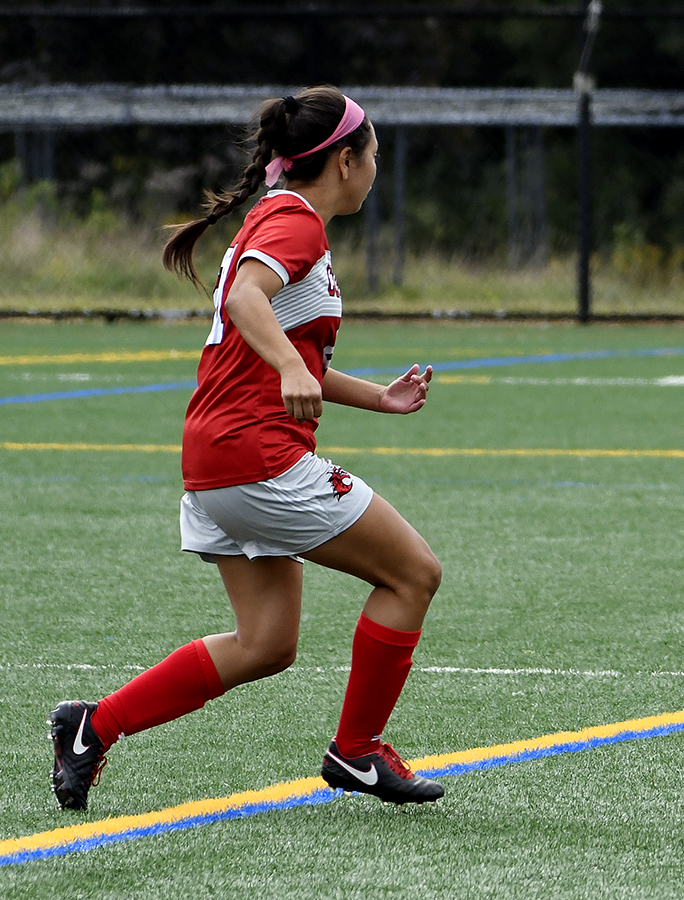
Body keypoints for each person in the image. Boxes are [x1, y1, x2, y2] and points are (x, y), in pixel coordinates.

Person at [48, 86, 446, 807]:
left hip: (215, 459)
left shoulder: (276, 217)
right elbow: (245, 302)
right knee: (413, 575)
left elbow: (279, 347)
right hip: (258, 459)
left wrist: (375, 397)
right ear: (346, 162)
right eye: (374, 155)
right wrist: (291, 365)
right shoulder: (297, 222)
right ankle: (357, 752)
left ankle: (92, 726)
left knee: (266, 643)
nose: (376, 169)